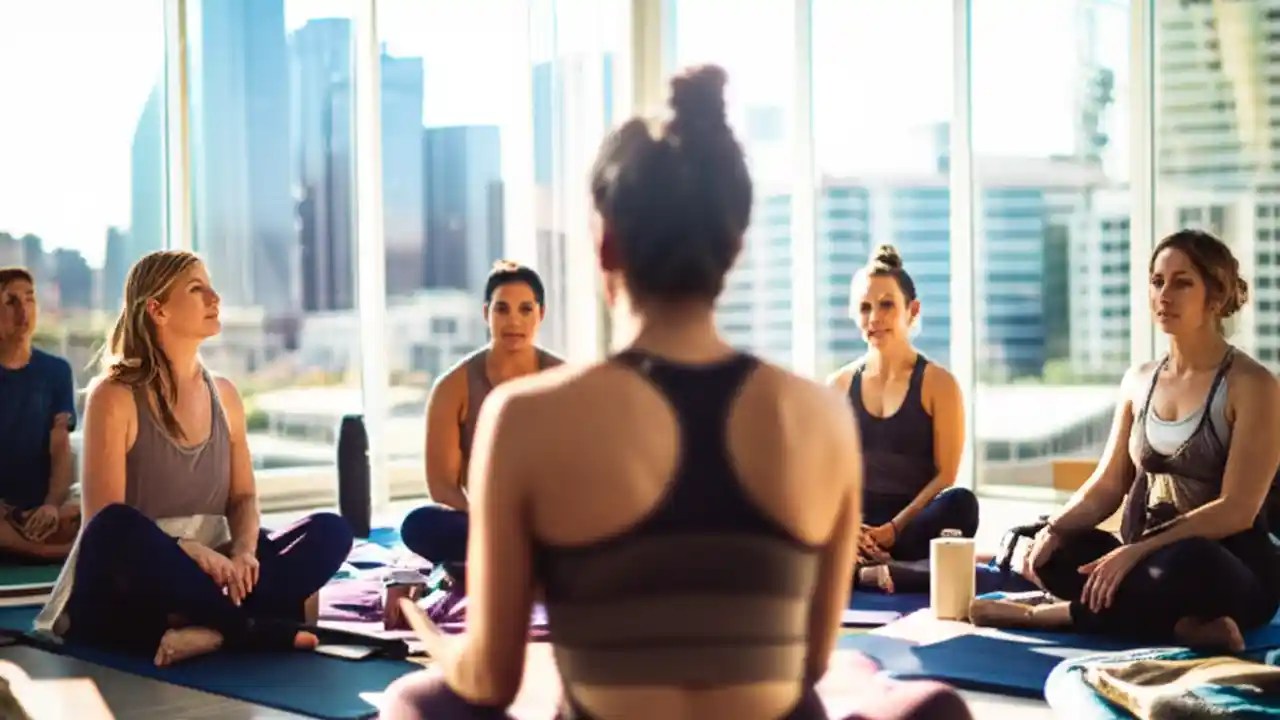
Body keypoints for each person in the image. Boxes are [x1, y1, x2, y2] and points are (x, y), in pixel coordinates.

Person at [381, 66, 969, 720]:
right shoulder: (817, 414)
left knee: (414, 701)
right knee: (933, 707)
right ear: (736, 247)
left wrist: (433, 642)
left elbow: (490, 680)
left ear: (605, 245)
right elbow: (806, 661)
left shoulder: (525, 417)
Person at [34, 250, 354, 667]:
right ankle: (249, 628)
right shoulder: (113, 396)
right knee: (115, 527)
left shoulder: (225, 395)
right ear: (157, 310)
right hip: (139, 581)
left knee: (330, 531)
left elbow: (242, 498)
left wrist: (242, 553)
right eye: (196, 289)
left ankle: (211, 631)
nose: (215, 297)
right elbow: (102, 523)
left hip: (214, 575)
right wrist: (190, 551)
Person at [971, 229, 1280, 652]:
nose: (1164, 295)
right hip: (1149, 558)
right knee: (1053, 548)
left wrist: (1136, 553)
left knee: (1184, 560)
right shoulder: (1139, 381)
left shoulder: (1253, 385)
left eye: (1182, 282)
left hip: (1227, 569)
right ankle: (1184, 628)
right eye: (1157, 281)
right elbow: (1109, 483)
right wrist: (1057, 529)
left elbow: (1238, 510)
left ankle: (1048, 615)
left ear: (1216, 294)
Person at [827, 247, 976, 592]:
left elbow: (946, 475)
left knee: (961, 504)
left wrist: (893, 529)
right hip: (857, 522)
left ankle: (871, 567)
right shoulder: (837, 386)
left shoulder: (939, 384)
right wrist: (851, 527)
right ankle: (882, 568)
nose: (874, 317)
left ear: (913, 310)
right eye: (864, 307)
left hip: (911, 524)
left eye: (886, 304)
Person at [400, 261, 562, 574]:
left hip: (552, 522)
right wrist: (491, 522)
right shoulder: (452, 387)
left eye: (525, 309)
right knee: (420, 524)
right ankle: (510, 560)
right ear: (486, 313)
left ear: (540, 314)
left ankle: (511, 562)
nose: (513, 320)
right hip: (484, 521)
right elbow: (443, 486)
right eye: (502, 309)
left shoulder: (564, 378)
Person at [0, 267, 79, 561]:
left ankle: (29, 543)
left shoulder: (56, 372)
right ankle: (47, 553)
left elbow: (60, 447)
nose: (24, 310)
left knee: (91, 513)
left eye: (29, 299)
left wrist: (51, 505)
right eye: (11, 301)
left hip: (40, 511)